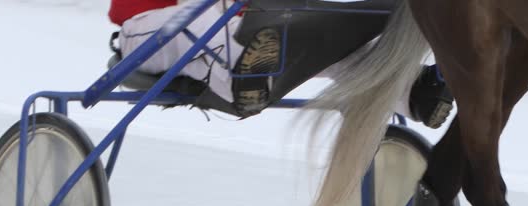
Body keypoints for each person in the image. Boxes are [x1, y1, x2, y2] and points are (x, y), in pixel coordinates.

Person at [109, 0, 452, 126]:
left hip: (242, 30)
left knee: (319, 43)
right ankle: (240, 80)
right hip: (145, 29)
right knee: (196, 22)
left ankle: (410, 92)